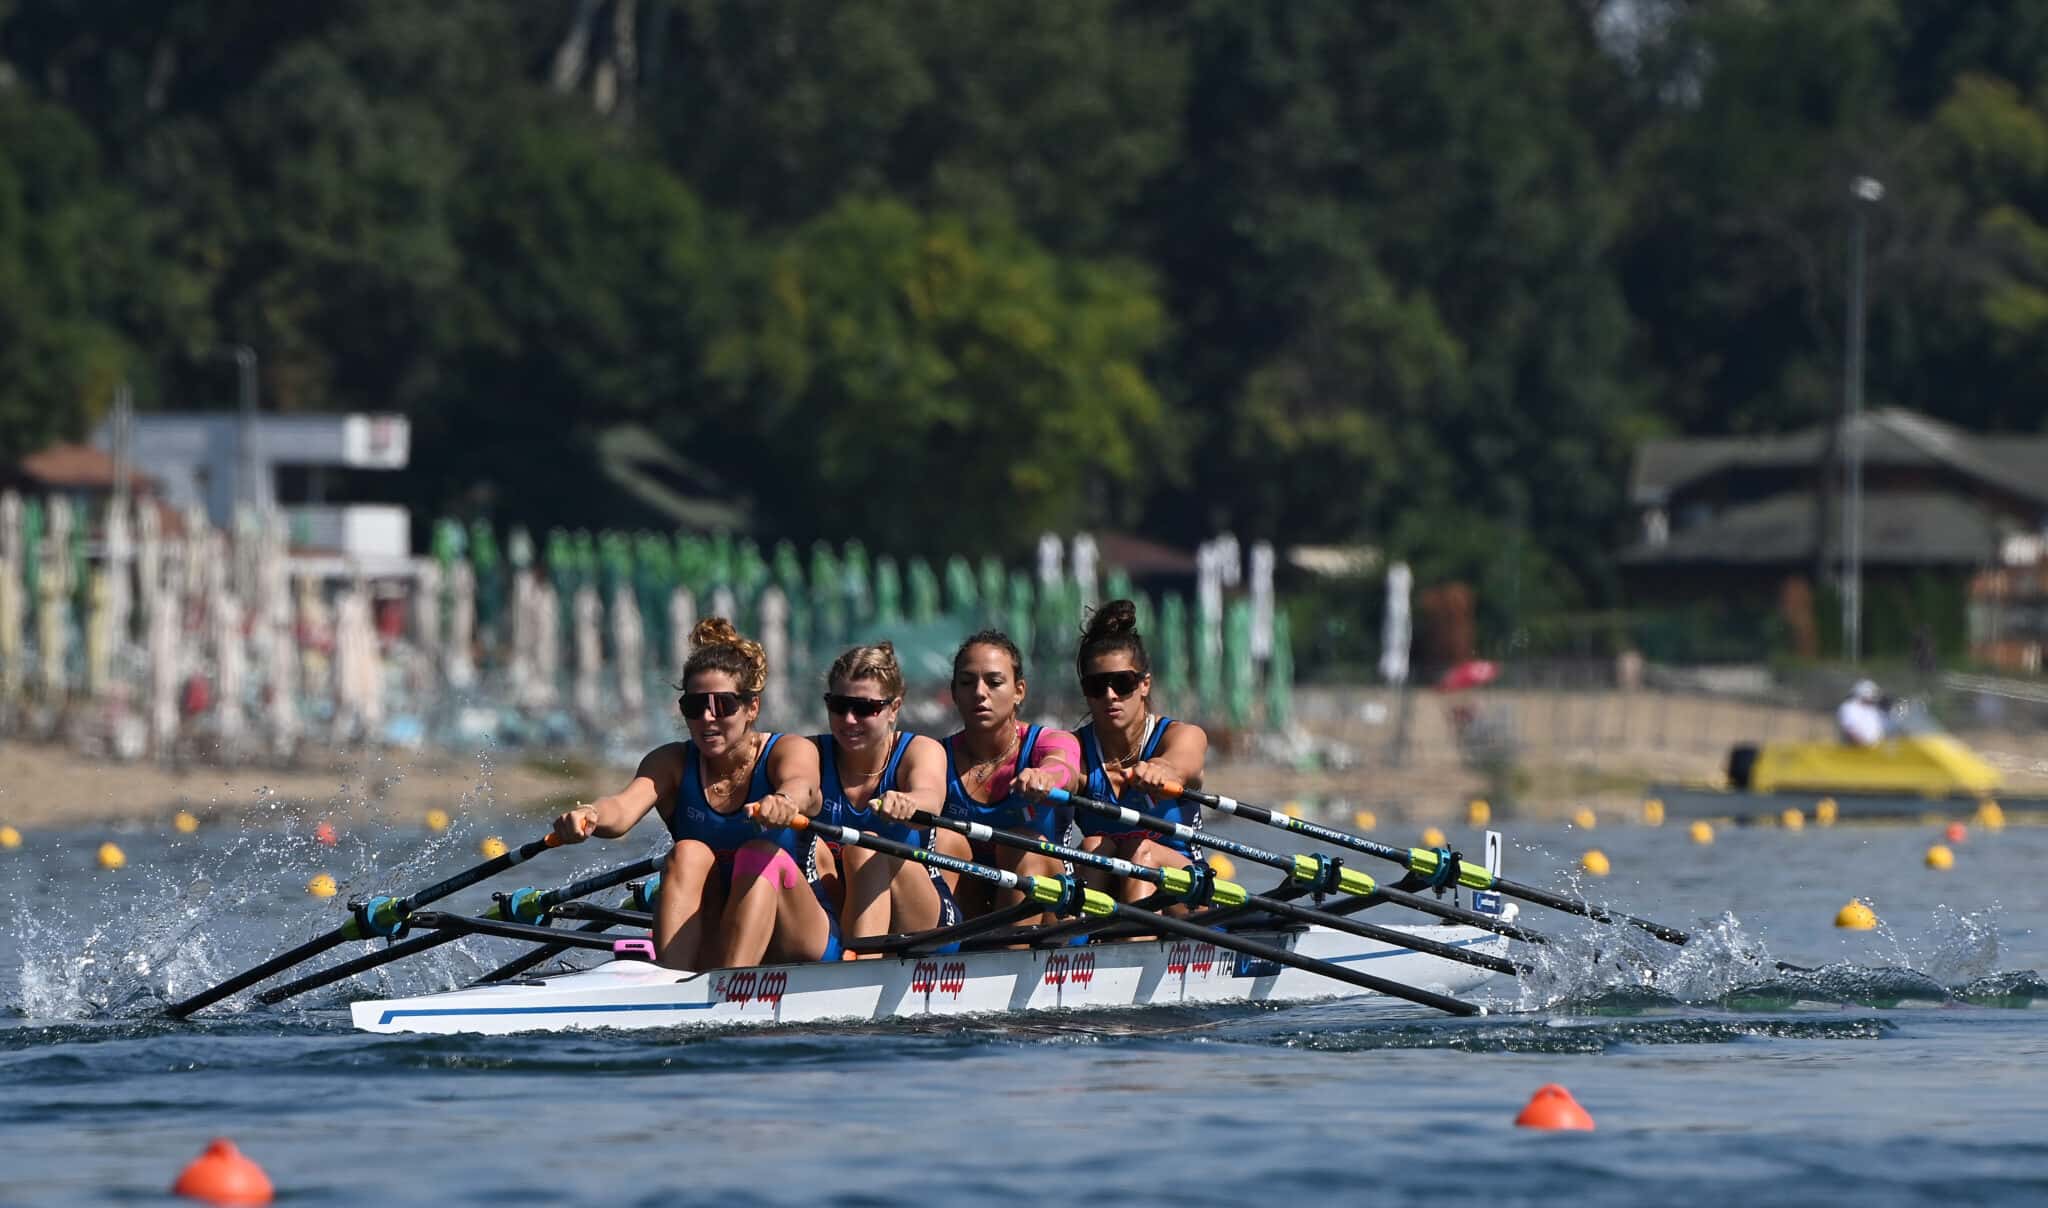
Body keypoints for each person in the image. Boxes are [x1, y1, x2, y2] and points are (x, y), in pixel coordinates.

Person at [551, 617, 833, 970]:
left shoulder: (788, 750)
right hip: (721, 934)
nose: (707, 718)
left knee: (760, 853)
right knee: (687, 852)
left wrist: (785, 802)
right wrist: (590, 814)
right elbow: (622, 809)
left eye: (723, 705)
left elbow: (802, 785)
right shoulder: (671, 762)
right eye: (695, 706)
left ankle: (725, 991)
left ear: (752, 708)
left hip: (800, 937)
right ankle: (672, 988)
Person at [812, 641, 959, 955]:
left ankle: (856, 974)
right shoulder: (810, 755)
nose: (849, 719)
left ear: (894, 708)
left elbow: (930, 797)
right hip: (839, 911)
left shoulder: (920, 750)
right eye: (838, 705)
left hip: (924, 922)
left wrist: (909, 803)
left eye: (865, 708)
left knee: (865, 848)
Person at [927, 630, 1082, 921]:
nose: (979, 693)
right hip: (972, 908)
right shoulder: (935, 756)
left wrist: (1046, 778)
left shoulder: (1048, 741)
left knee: (1020, 842)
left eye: (994, 682)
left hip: (1050, 915)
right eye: (967, 683)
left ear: (1018, 691)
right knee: (943, 841)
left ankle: (1012, 949)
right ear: (954, 693)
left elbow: (1065, 768)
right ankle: (951, 953)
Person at [1071, 600, 1210, 901]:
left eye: (1122, 683)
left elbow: (1181, 761)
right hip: (1110, 890)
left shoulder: (1181, 735)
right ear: (1085, 691)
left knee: (1141, 851)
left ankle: (1130, 942)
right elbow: (1058, 767)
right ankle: (1081, 942)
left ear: (1144, 684)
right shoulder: (1074, 750)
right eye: (1097, 686)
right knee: (1093, 846)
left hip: (1184, 895)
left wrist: (1162, 769)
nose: (1110, 695)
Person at [1837, 678, 1886, 748]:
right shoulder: (1849, 707)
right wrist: (1863, 746)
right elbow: (1850, 730)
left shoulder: (1872, 709)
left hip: (1874, 749)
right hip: (1857, 749)